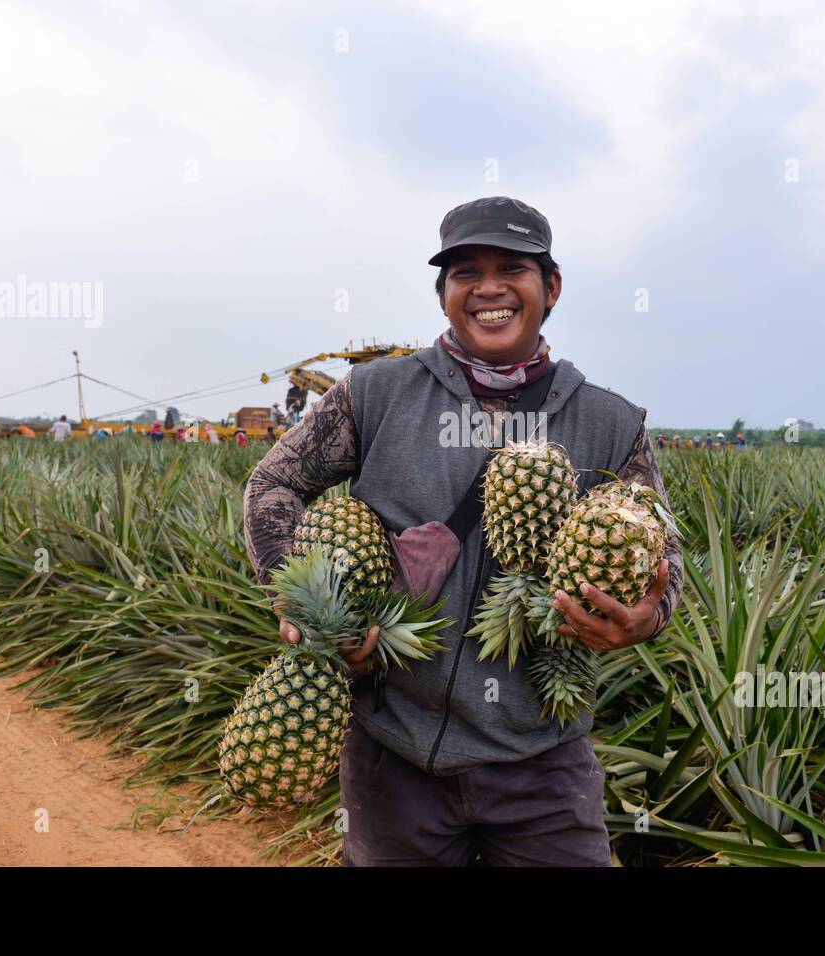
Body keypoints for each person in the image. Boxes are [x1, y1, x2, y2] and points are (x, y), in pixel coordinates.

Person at [245, 196, 683, 867]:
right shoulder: (375, 392)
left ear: (551, 287)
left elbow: (665, 562)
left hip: (545, 764)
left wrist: (645, 620)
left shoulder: (609, 423)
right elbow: (273, 485)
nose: (489, 287)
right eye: (465, 271)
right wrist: (305, 607)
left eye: (513, 267)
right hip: (394, 756)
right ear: (443, 292)